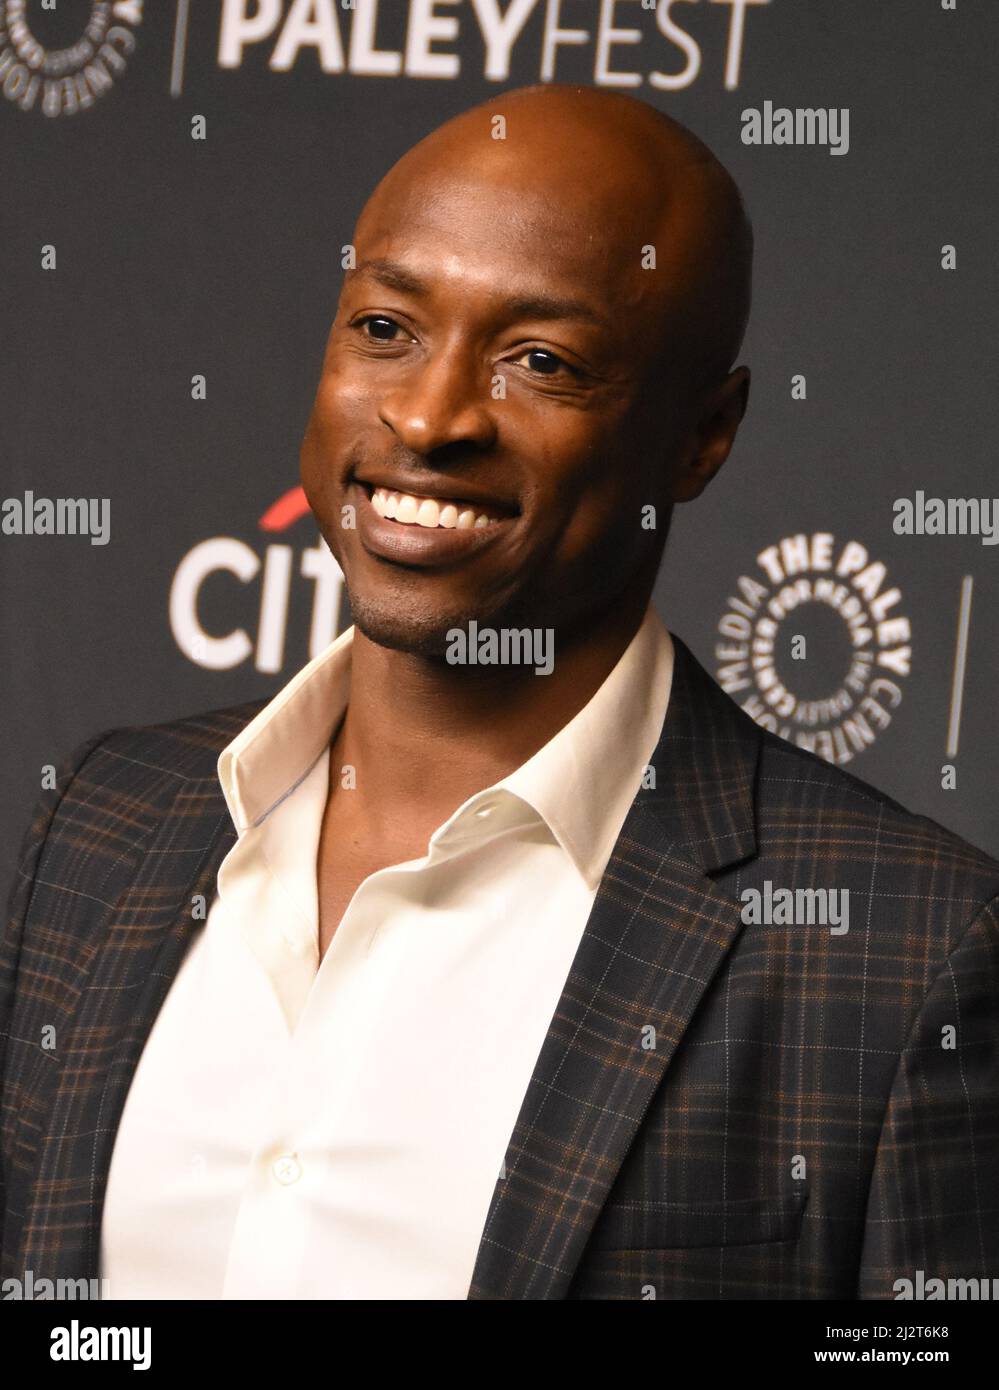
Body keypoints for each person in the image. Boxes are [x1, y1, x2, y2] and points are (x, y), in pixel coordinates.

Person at [2, 85, 997, 1302]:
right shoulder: (107, 823)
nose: (428, 416)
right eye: (386, 327)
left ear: (704, 434)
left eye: (542, 359)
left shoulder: (904, 952)